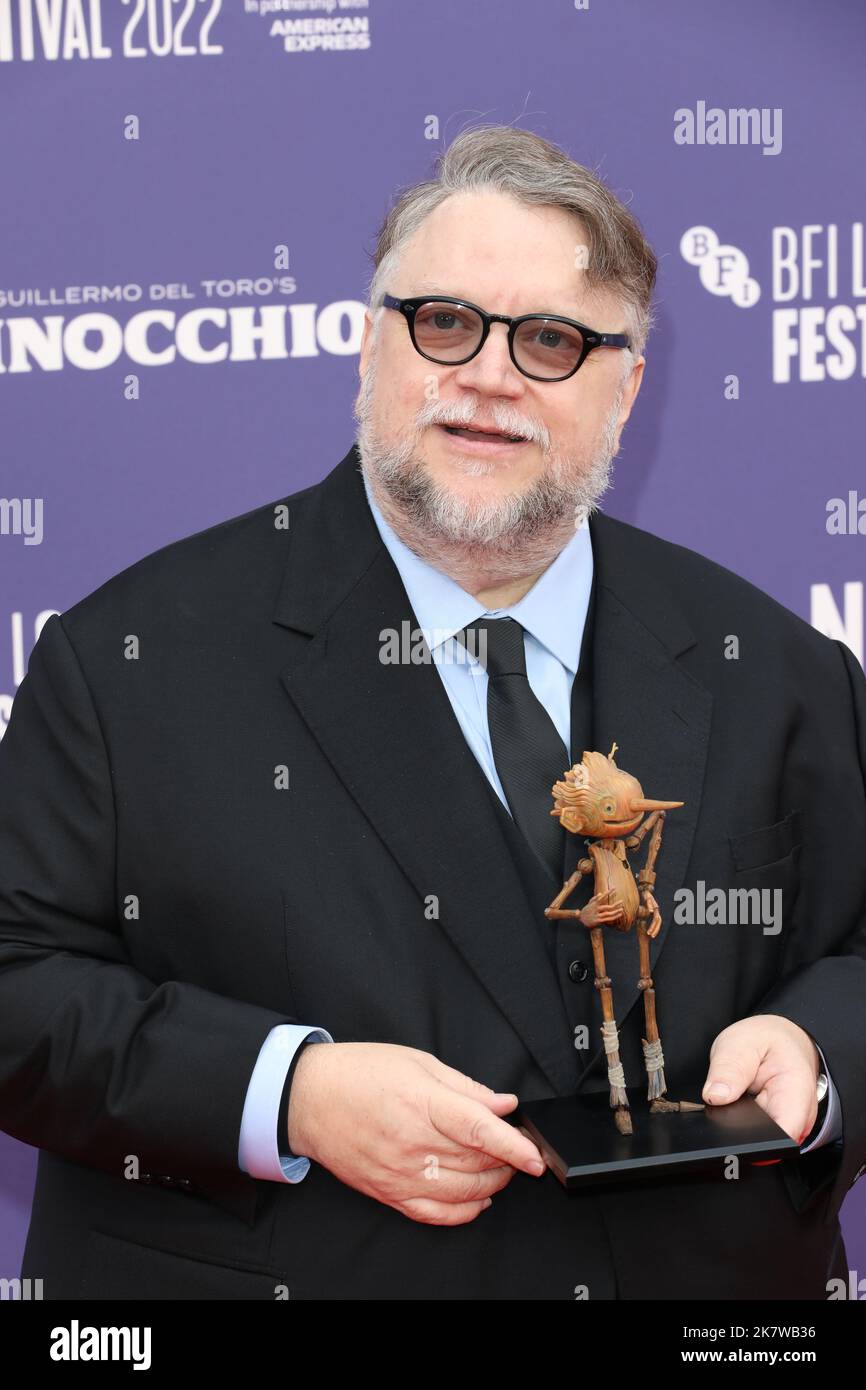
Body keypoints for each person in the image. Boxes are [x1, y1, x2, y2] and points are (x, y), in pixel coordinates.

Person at [1, 125, 864, 1301]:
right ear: (368, 345)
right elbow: (17, 985)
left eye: (552, 340)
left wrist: (820, 1053)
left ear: (629, 391)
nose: (490, 375)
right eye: (444, 322)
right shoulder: (128, 662)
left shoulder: (778, 666)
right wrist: (287, 1093)